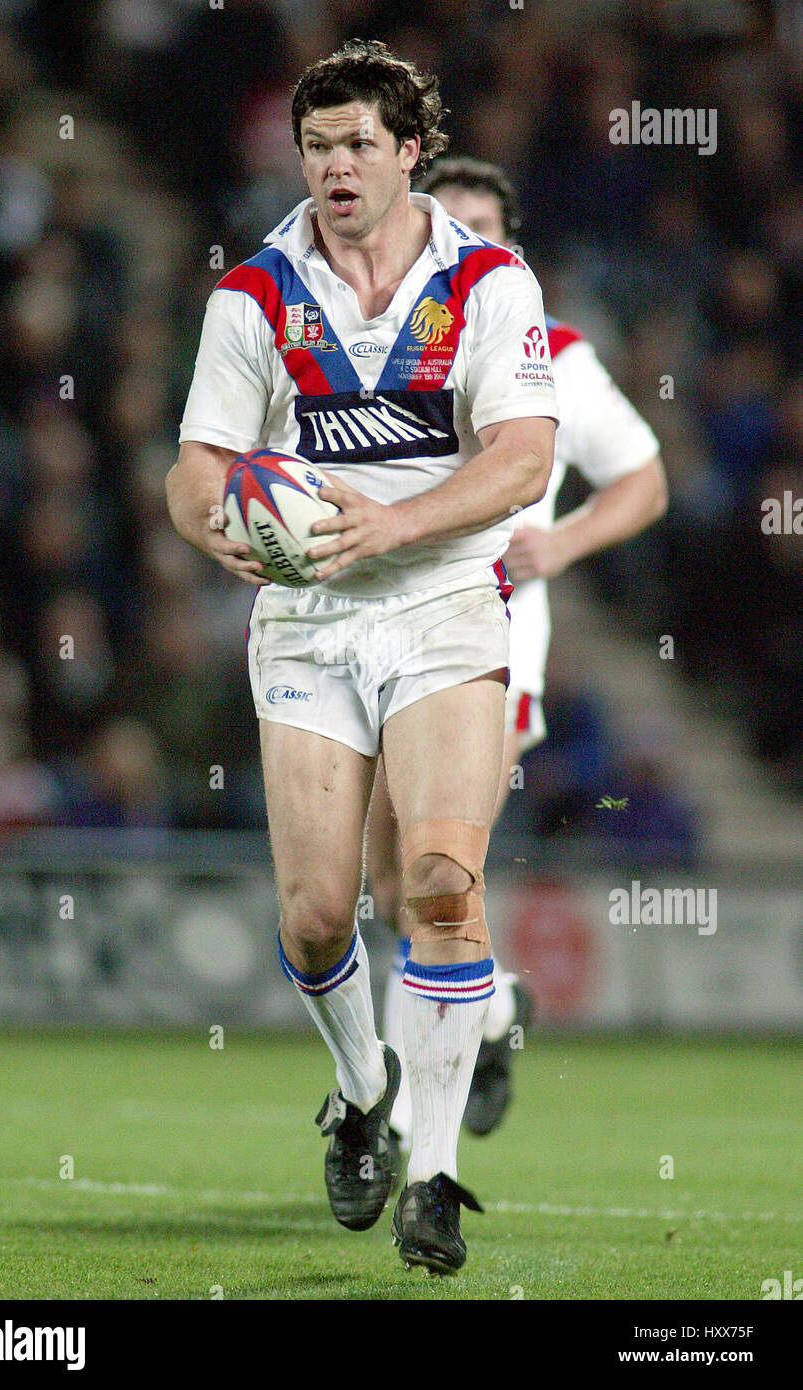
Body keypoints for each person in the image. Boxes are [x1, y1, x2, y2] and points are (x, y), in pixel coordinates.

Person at [167, 43, 558, 1274]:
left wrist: (396, 520)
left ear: (406, 152)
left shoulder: (491, 281)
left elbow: (522, 457)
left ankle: (433, 1178)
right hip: (309, 620)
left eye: (356, 146)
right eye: (316, 147)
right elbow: (195, 467)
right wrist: (212, 525)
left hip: (442, 596)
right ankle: (359, 1090)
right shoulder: (254, 296)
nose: (334, 167)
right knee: (317, 908)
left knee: (440, 881)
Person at [366, 157, 668, 1154]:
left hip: (494, 650)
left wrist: (564, 541)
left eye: (483, 226)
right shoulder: (370, 351)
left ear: (512, 246)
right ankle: (490, 1003)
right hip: (380, 641)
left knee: (436, 865)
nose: (464, 242)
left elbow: (641, 477)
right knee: (383, 885)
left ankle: (403, 1116)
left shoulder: (554, 354)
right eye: (444, 226)